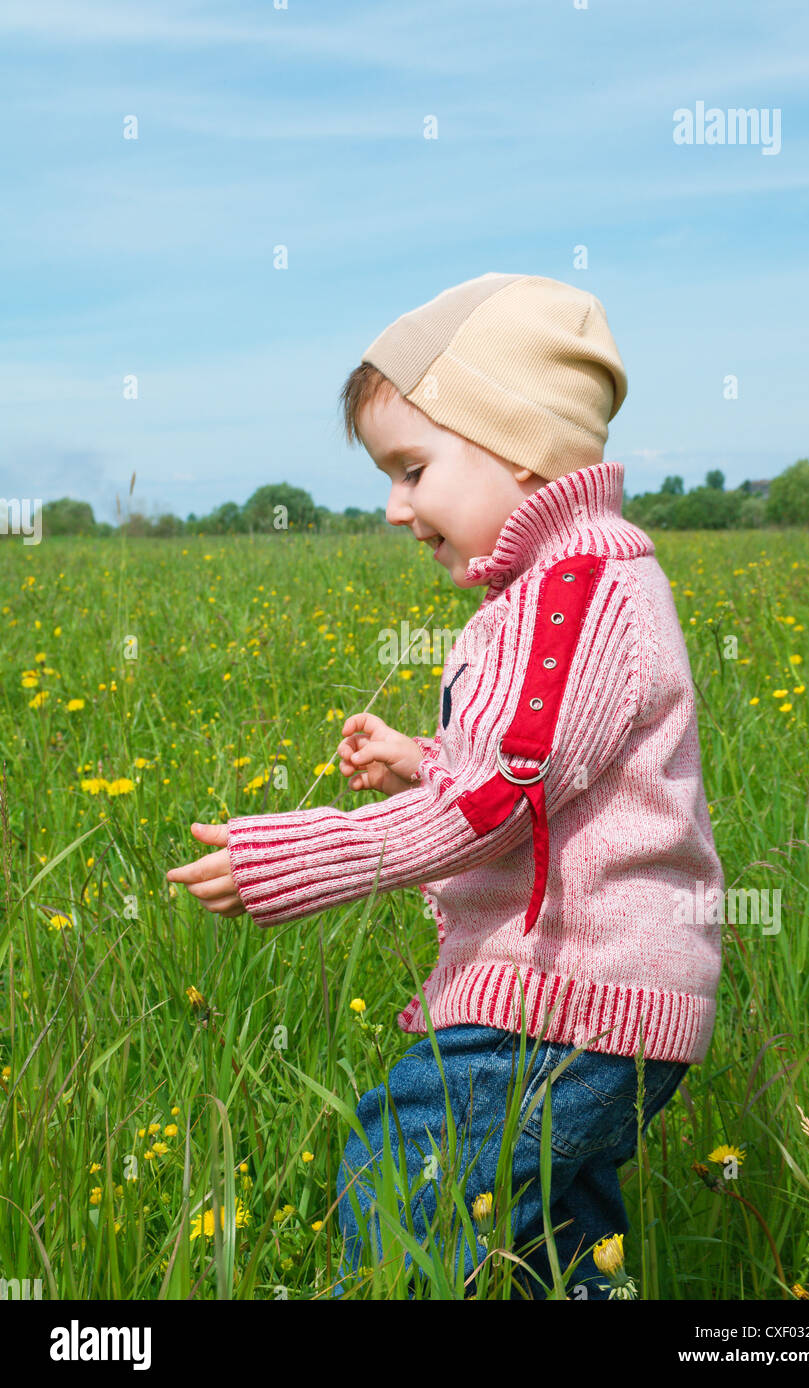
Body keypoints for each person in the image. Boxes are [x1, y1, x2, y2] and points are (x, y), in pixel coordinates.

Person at [166, 272, 723, 1300]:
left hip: (559, 1006)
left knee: (402, 1181)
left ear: (517, 444)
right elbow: (539, 772)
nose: (392, 507)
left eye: (412, 468)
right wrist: (420, 756)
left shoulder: (574, 591)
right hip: (589, 1010)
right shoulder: (558, 586)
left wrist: (296, 856)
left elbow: (499, 802)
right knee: (545, 1247)